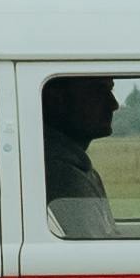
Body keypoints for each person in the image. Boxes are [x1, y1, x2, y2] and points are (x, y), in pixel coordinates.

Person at [40, 76, 116, 239]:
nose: (113, 104)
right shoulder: (61, 176)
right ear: (56, 99)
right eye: (99, 92)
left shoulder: (76, 166)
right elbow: (92, 250)